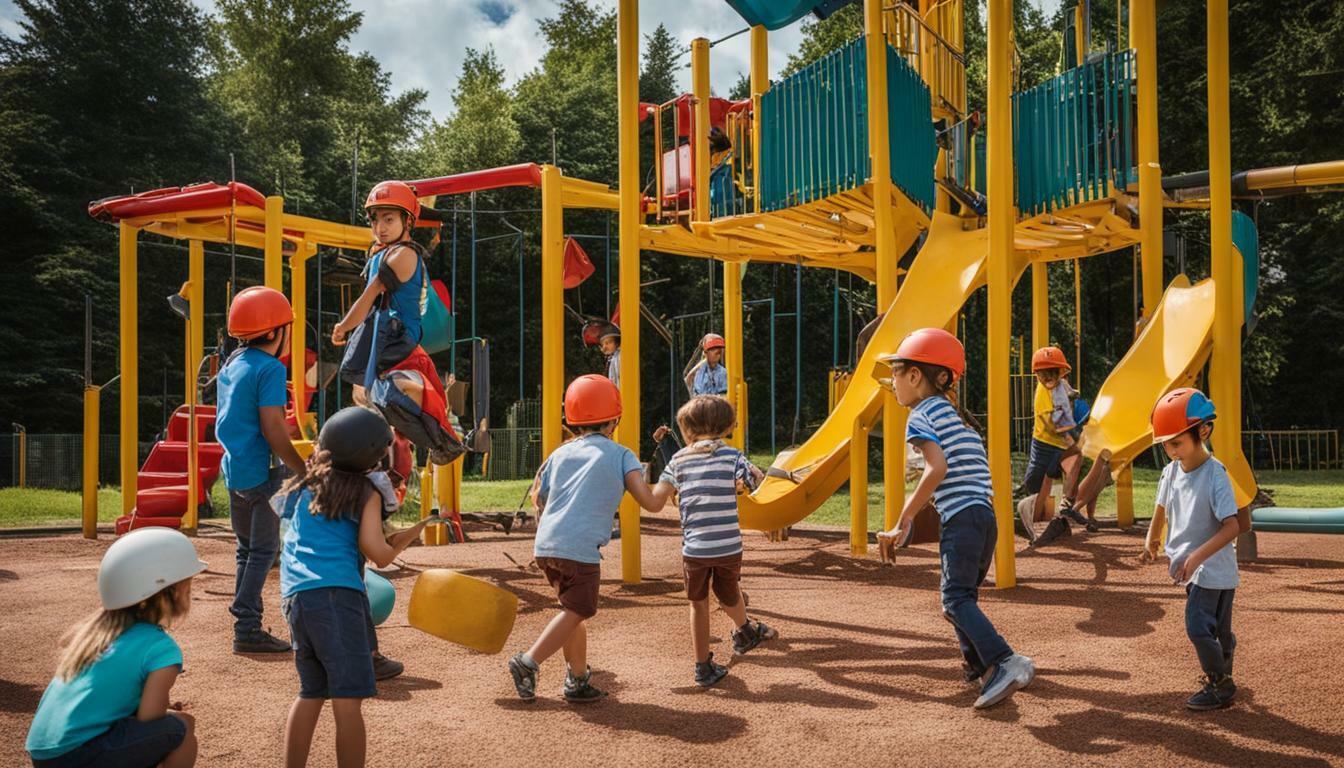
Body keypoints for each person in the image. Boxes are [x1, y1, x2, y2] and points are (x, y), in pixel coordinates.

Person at [273, 406, 445, 767]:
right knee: (348, 702)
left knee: (310, 694)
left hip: (297, 598)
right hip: (337, 600)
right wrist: (413, 533)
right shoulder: (365, 493)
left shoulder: (309, 484)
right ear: (373, 454)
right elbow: (378, 554)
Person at [874, 328, 1035, 709]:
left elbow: (937, 468)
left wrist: (904, 519)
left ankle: (1005, 661)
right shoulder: (957, 417)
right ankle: (980, 668)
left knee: (954, 598)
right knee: (962, 596)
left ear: (915, 376)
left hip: (962, 520)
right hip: (986, 519)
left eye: (895, 373)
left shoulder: (920, 415)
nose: (892, 382)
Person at [506, 375, 667, 702]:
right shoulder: (622, 455)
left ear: (571, 419)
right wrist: (670, 478)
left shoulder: (559, 454)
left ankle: (577, 679)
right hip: (579, 549)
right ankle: (528, 662)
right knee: (579, 610)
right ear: (615, 418)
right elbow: (651, 504)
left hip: (547, 546)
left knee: (571, 610)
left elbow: (540, 498)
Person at [26, 528, 206, 768]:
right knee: (180, 729)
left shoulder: (94, 635)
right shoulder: (161, 648)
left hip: (44, 754)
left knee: (174, 724)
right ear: (168, 592)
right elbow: (149, 718)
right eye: (187, 588)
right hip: (80, 755)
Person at [651, 396, 777, 687]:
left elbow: (657, 500)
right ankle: (744, 630)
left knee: (698, 603)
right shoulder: (733, 456)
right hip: (729, 544)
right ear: (724, 426)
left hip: (696, 547)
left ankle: (702, 667)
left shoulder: (678, 460)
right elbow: (755, 480)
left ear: (689, 430)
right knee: (729, 590)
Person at [1140, 388, 1244, 711]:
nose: (1171, 451)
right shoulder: (1170, 472)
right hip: (1195, 571)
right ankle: (1225, 649)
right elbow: (1160, 509)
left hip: (1212, 569)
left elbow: (1233, 526)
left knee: (1198, 627)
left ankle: (1219, 682)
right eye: (1166, 445)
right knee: (1216, 628)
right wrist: (1150, 541)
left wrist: (1196, 556)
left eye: (1177, 443)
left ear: (1202, 431)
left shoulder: (1215, 475)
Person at [217, 286, 308, 653]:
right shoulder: (270, 368)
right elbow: (273, 428)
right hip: (263, 474)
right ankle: (246, 619)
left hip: (234, 471)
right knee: (265, 551)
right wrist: (302, 468)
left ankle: (246, 628)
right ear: (275, 332)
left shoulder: (232, 364)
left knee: (246, 548)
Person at [1018, 346, 1091, 546]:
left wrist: (1075, 400)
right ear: (1037, 375)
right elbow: (1050, 423)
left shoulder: (1062, 385)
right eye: (1043, 374)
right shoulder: (1042, 393)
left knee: (1076, 459)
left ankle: (1067, 504)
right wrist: (1069, 436)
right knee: (1038, 484)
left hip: (1059, 445)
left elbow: (1071, 395)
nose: (1048, 378)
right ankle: (1026, 519)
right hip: (1044, 443)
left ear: (1060, 373)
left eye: (1052, 373)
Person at [599, 324, 621, 389]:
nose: (604, 347)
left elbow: (617, 377)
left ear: (617, 343)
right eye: (603, 344)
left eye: (608, 343)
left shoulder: (618, 357)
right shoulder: (611, 358)